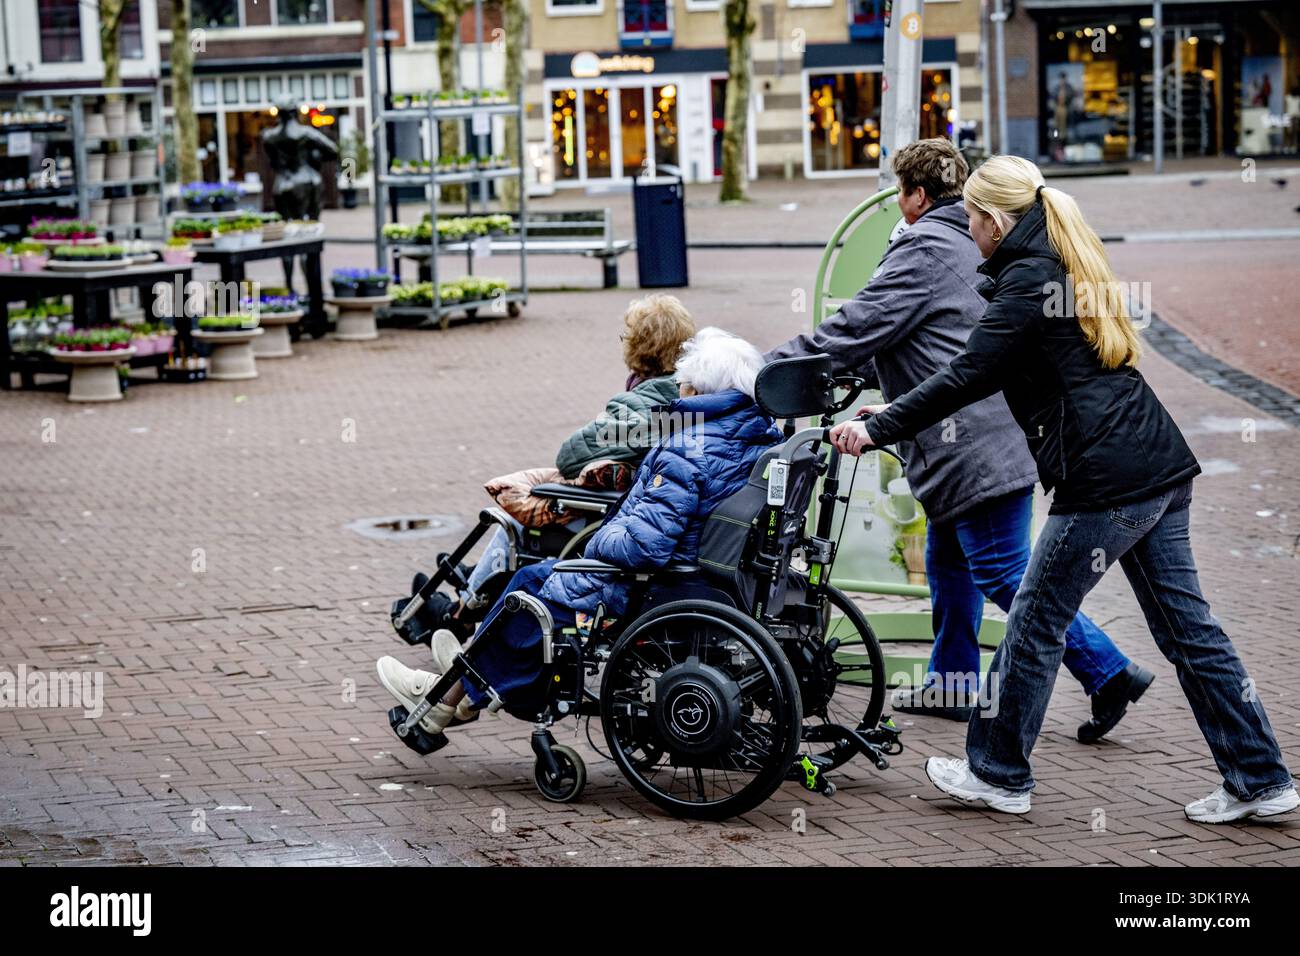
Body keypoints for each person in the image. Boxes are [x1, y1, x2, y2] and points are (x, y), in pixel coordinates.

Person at [830, 155, 1298, 824]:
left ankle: (997, 773)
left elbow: (968, 372)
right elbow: (988, 372)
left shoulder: (1026, 278)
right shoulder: (1057, 257)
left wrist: (877, 431)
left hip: (1104, 480)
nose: (965, 227)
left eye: (969, 216)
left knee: (1033, 620)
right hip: (1156, 466)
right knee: (1190, 632)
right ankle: (1260, 777)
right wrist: (893, 410)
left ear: (994, 221)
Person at [767, 138, 1152, 740]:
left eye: (900, 192)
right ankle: (953, 684)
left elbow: (857, 327)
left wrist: (765, 371)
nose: (898, 204)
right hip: (988, 438)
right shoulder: (964, 242)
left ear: (917, 195)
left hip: (974, 449)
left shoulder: (922, 247)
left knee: (1005, 574)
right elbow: (930, 338)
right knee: (949, 564)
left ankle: (1108, 671)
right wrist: (878, 384)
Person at [376, 328, 783, 738]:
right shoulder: (761, 436)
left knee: (530, 587)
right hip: (720, 581)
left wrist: (598, 539)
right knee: (539, 584)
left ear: (699, 388)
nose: (679, 391)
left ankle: (446, 699)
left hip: (658, 586)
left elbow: (644, 546)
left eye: (684, 384)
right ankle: (465, 680)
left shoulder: (688, 447)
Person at [411, 294, 694, 639]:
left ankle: (461, 614)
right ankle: (470, 589)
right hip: (647, 513)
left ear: (641, 347)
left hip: (615, 519)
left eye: (627, 336)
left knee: (512, 520)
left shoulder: (642, 403)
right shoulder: (689, 397)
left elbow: (571, 456)